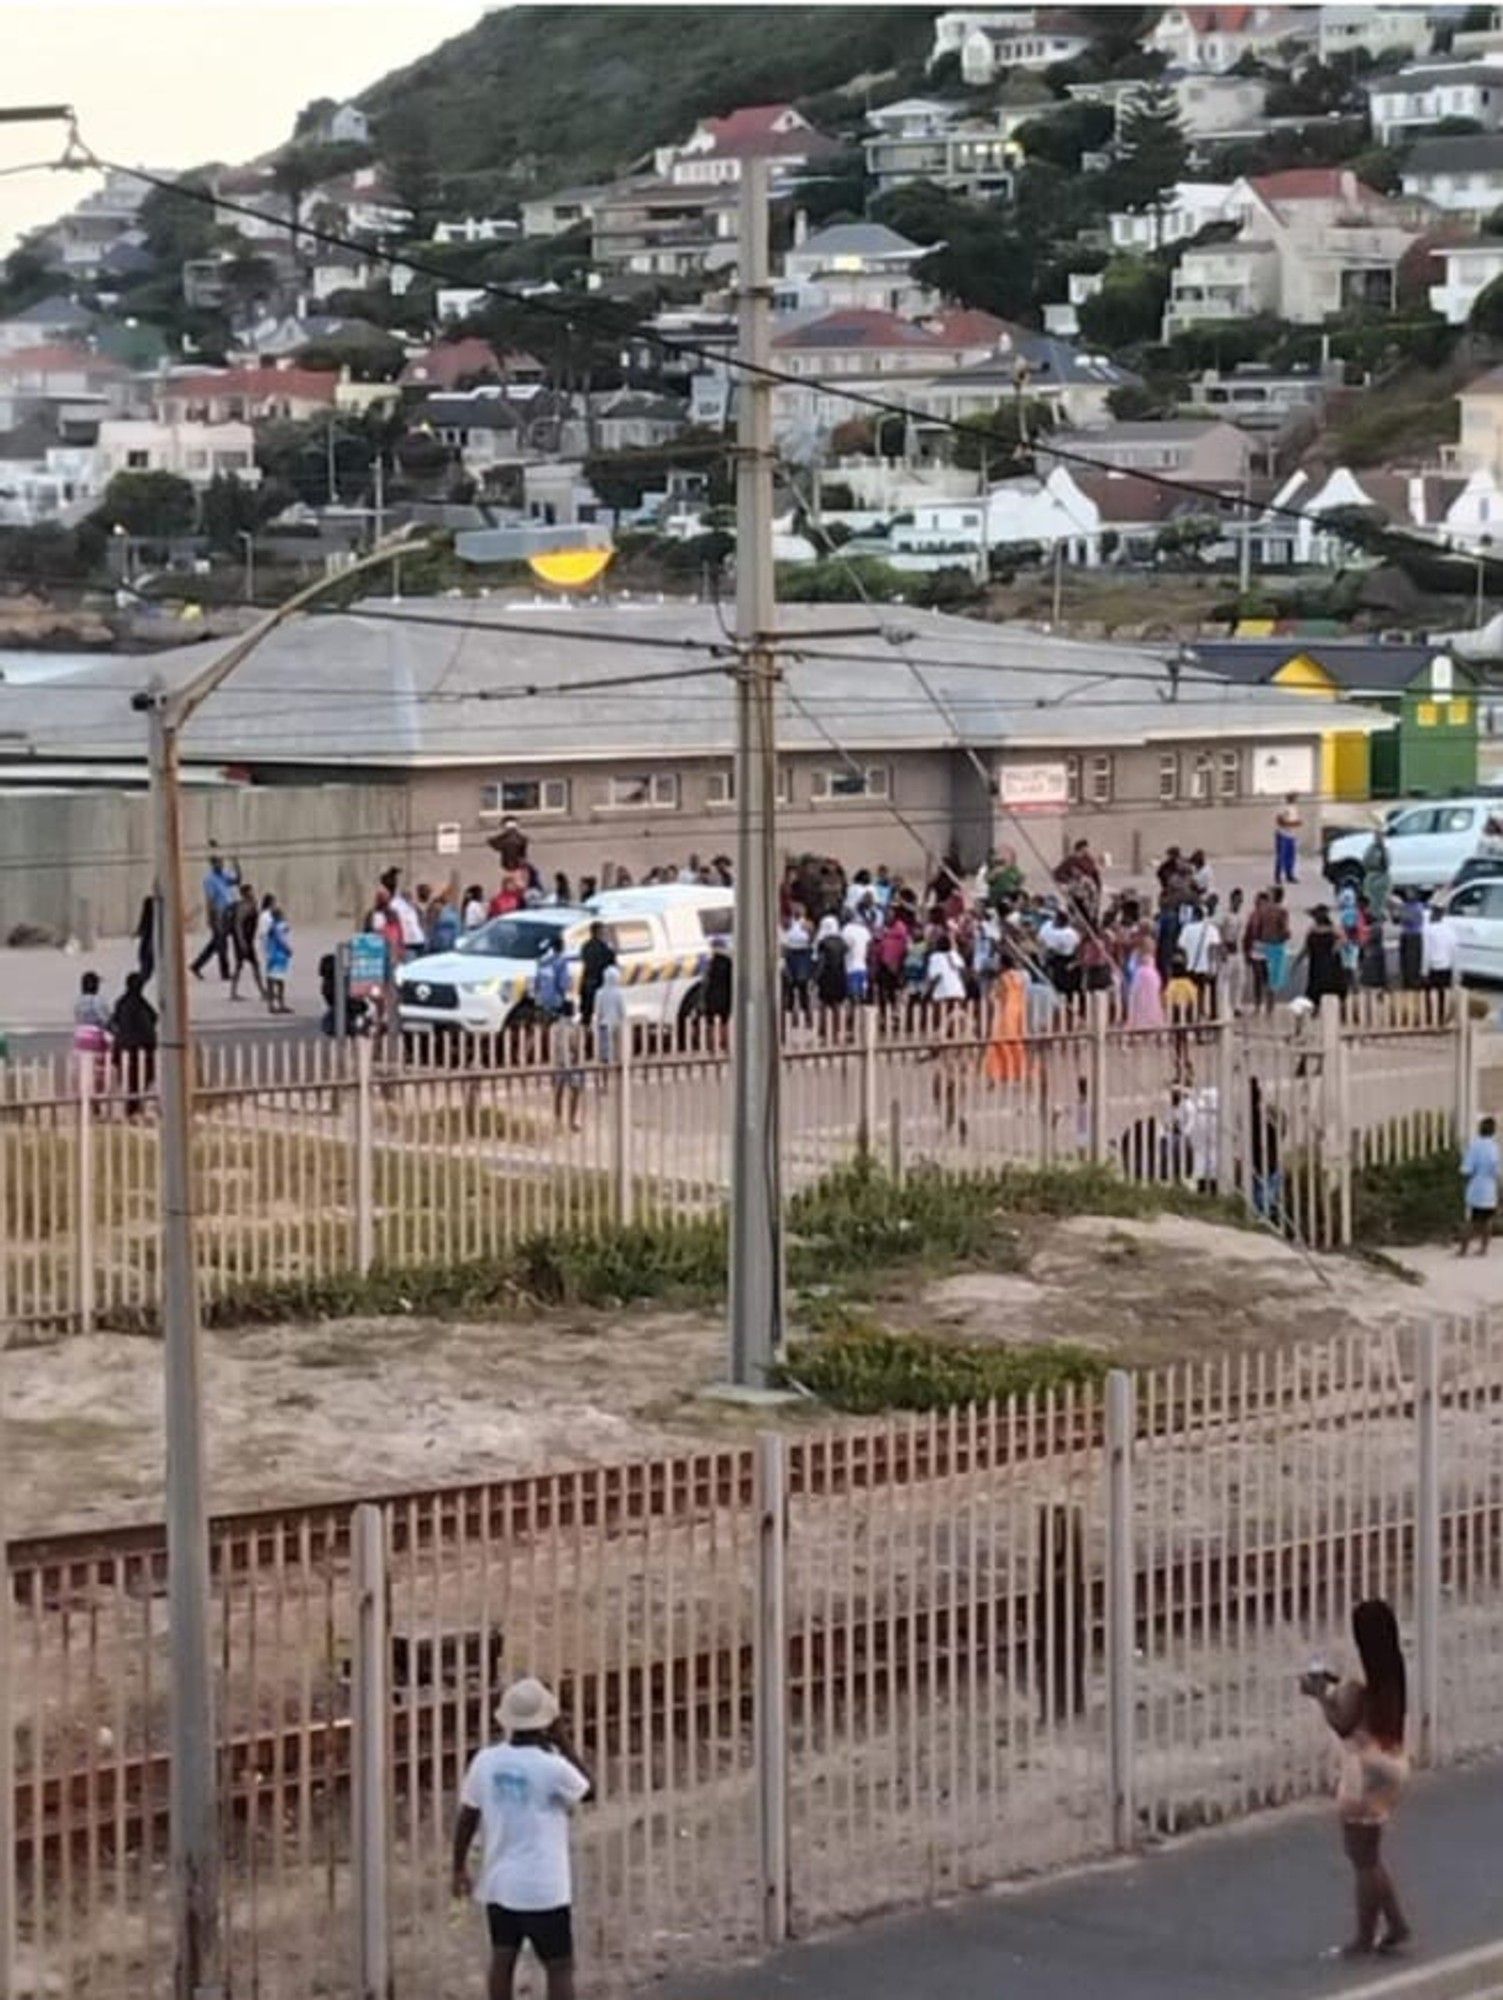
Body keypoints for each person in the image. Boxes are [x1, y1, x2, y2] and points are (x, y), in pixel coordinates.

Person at [453, 1676, 593, 2000]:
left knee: (502, 1959)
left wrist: (458, 1867)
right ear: (547, 1720)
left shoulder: (485, 1761)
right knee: (559, 1966)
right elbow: (588, 1788)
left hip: (500, 1882)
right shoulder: (553, 1767)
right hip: (543, 1888)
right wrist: (564, 1740)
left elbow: (467, 1817)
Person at [1300, 1600, 1410, 1958]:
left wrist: (1321, 1697)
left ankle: (1364, 1938)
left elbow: (1343, 1723)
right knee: (1371, 1854)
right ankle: (1395, 1925)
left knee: (1362, 1859)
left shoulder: (1358, 1688)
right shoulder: (1392, 1678)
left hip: (1363, 1771)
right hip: (1390, 1764)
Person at [110, 971, 158, 1118]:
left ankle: (132, 1107)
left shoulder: (122, 1002)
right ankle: (133, 1108)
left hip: (125, 1047)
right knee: (141, 1078)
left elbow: (114, 1021)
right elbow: (154, 1018)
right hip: (142, 1048)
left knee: (130, 1081)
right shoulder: (141, 1003)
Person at [983, 950, 1030, 1085]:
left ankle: (997, 1074)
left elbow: (994, 996)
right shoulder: (1020, 977)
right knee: (1017, 1043)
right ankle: (1017, 1073)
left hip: (1005, 1012)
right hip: (1019, 1012)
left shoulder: (1002, 978)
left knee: (999, 1042)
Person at [190, 850, 239, 981]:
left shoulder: (224, 875)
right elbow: (210, 900)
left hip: (229, 911)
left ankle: (196, 966)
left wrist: (236, 864)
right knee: (221, 944)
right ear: (212, 864)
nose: (221, 865)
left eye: (222, 862)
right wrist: (211, 917)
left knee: (216, 944)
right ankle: (225, 973)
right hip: (219, 913)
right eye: (218, 863)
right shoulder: (209, 880)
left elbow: (236, 881)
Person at [1459, 1114, 1500, 1256]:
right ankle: (1484, 1248)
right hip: (1490, 1189)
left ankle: (1463, 1249)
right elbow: (1497, 1170)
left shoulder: (1475, 1146)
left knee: (1471, 1220)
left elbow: (1467, 1169)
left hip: (1476, 1187)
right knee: (1487, 1220)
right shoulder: (1494, 1148)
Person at [549, 1003, 585, 1132]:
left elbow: (553, 1048)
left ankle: (558, 1121)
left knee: (558, 1093)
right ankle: (571, 1121)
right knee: (574, 1092)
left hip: (558, 1064)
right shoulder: (574, 1027)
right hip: (571, 1063)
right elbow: (576, 1047)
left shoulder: (555, 1027)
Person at [229, 882, 264, 1001]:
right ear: (244, 894)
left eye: (252, 891)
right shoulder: (244, 907)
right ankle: (261, 991)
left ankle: (234, 992)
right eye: (250, 891)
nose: (252, 893)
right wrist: (242, 941)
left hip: (247, 940)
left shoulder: (252, 904)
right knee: (247, 965)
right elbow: (237, 924)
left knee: (246, 966)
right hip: (243, 941)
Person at [577, 921, 616, 1028]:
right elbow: (611, 965)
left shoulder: (585, 946)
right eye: (603, 931)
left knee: (586, 1015)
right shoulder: (605, 949)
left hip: (587, 984)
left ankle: (584, 1038)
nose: (605, 933)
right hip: (601, 984)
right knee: (603, 1015)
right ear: (599, 932)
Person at [781, 908, 813, 1023]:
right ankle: (788, 1017)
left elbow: (811, 939)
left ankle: (806, 1016)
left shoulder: (807, 924)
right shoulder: (789, 923)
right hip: (791, 954)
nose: (798, 912)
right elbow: (784, 938)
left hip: (803, 955)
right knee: (790, 988)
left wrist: (809, 930)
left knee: (803, 988)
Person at [1126, 940, 1164, 1030]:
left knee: (1142, 1001)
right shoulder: (1143, 956)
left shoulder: (1137, 956)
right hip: (1150, 977)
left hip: (1142, 976)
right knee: (1148, 1000)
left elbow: (1131, 967)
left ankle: (1141, 1022)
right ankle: (1150, 1021)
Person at [594, 963, 626, 1070]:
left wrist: (597, 1022)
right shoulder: (619, 993)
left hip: (604, 1022)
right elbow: (622, 1010)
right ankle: (617, 1061)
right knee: (617, 1044)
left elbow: (598, 1010)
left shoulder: (599, 993)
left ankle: (606, 1062)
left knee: (605, 1045)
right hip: (616, 1022)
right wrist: (623, 1020)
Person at [1422, 903, 1458, 996]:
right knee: (1443, 996)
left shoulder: (1427, 930)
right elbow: (1454, 951)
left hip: (1433, 969)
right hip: (1446, 968)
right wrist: (1455, 972)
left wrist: (1424, 971)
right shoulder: (1450, 931)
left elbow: (1426, 952)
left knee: (1431, 998)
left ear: (1433, 915)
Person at [840, 904, 873, 1006]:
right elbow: (869, 946)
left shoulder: (846, 930)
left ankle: (853, 1017)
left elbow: (843, 947)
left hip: (850, 967)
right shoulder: (864, 930)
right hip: (863, 967)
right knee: (861, 995)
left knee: (852, 995)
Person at [264, 902, 293, 1014]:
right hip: (280, 956)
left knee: (271, 981)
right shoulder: (280, 926)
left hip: (272, 956)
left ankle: (271, 1004)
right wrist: (288, 949)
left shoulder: (272, 927)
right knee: (280, 982)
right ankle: (280, 1003)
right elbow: (281, 939)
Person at [1397, 891, 1425, 991]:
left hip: (1412, 935)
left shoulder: (1416, 907)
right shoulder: (1409, 906)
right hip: (1409, 935)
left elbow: (1406, 919)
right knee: (1408, 961)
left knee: (1411, 961)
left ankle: (1412, 983)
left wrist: (1402, 915)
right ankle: (1409, 981)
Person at [1275, 792, 1302, 887]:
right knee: (1281, 856)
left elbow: (1297, 821)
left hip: (1292, 835)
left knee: (1291, 857)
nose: (1295, 799)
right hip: (1283, 834)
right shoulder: (1282, 807)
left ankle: (1289, 875)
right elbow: (1279, 820)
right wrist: (1291, 824)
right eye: (1293, 797)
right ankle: (1277, 876)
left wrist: (1296, 823)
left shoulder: (1294, 808)